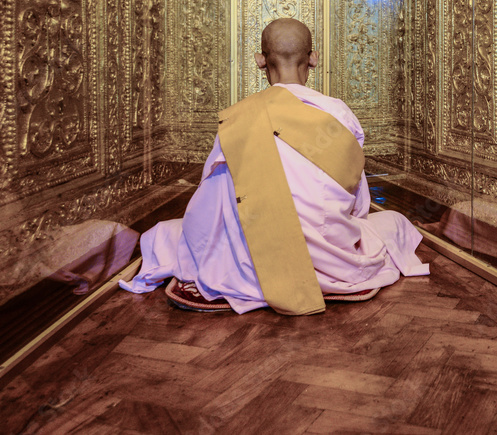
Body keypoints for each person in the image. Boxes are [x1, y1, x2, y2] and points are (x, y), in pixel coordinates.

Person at [120, 18, 429, 313]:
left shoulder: (238, 118)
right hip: (332, 256)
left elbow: (208, 208)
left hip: (254, 259)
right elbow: (356, 201)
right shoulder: (340, 115)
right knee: (394, 224)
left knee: (163, 235)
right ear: (314, 59)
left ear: (259, 60)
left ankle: (252, 275)